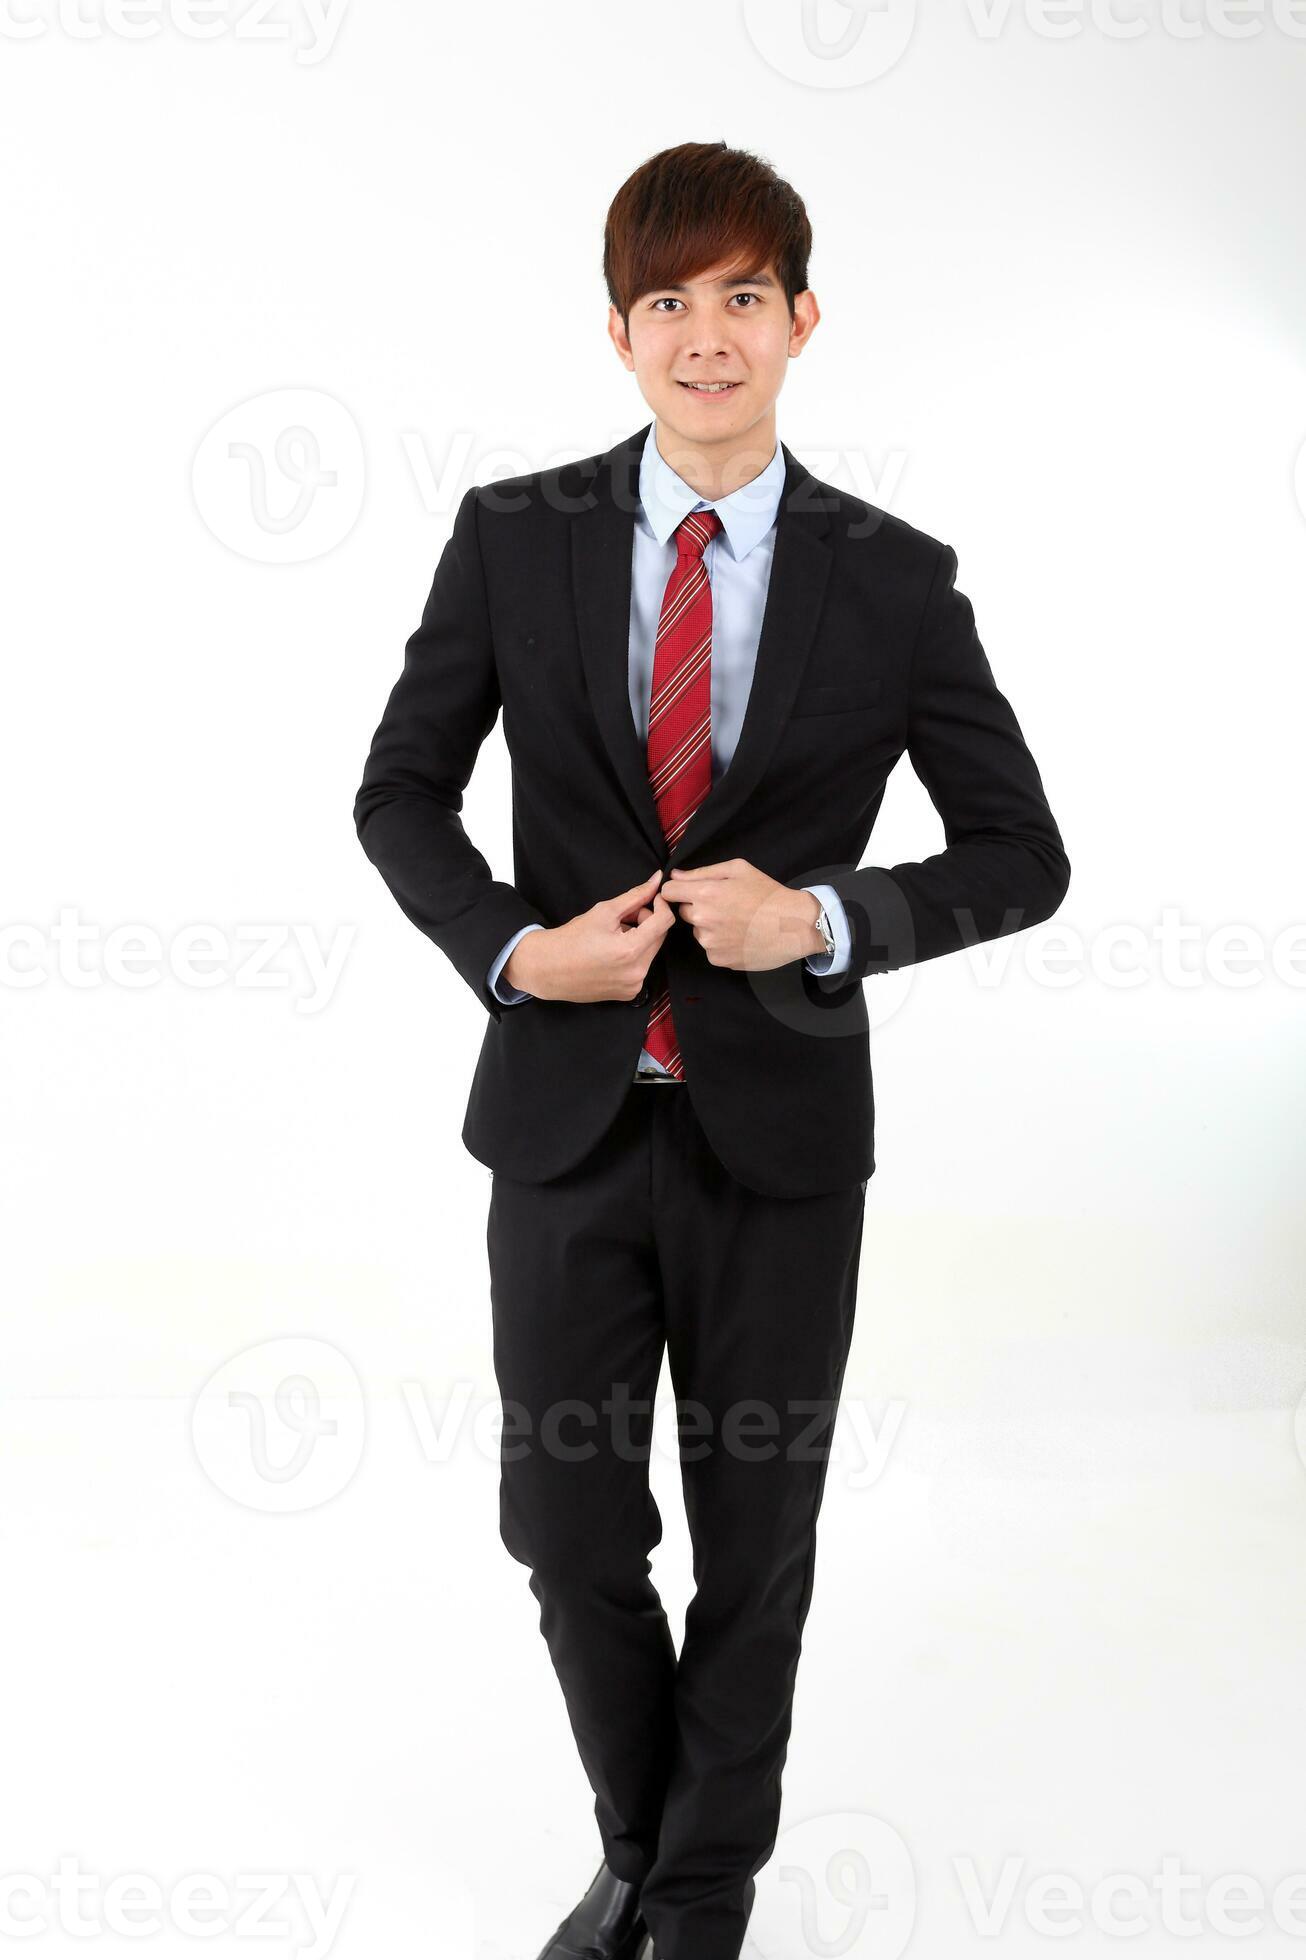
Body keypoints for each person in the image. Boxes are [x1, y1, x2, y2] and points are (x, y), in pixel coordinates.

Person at [353, 139, 1070, 1960]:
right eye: (667, 300)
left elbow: (1020, 856)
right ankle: (646, 1843)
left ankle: (693, 1906)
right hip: (565, 1131)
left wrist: (817, 920)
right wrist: (516, 951)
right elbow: (399, 792)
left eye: (742, 295)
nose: (705, 334)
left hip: (779, 1145)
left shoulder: (893, 580)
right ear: (618, 333)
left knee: (757, 1550)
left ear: (801, 320)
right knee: (567, 1534)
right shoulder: (515, 537)